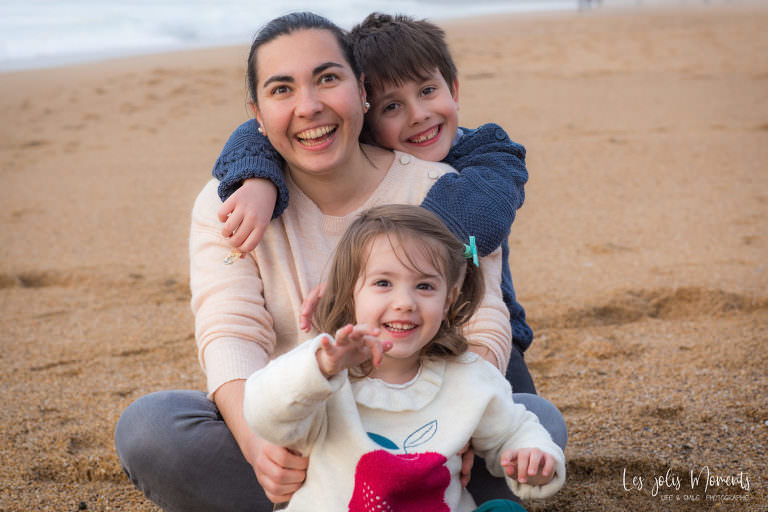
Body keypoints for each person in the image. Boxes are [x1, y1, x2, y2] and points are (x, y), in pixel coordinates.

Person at [114, 12, 566, 512]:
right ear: (257, 115)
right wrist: (257, 447)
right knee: (151, 427)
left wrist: (454, 434)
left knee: (538, 421)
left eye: (328, 79)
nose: (309, 106)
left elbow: (482, 320)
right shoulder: (231, 204)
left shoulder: (450, 192)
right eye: (281, 90)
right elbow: (230, 331)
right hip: (305, 435)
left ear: (362, 91)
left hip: (427, 431)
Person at [213, 12, 537, 394]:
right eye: (392, 107)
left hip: (475, 333)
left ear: (454, 89)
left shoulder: (488, 154)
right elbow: (256, 130)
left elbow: (481, 216)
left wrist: (368, 259)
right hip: (387, 343)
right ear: (364, 109)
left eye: (428, 91)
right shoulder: (363, 148)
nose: (419, 115)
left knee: (525, 416)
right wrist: (257, 178)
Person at [244, 204, 566, 511]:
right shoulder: (323, 371)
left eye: (425, 286)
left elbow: (514, 429)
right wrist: (320, 369)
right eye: (383, 283)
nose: (404, 302)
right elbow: (263, 412)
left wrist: (533, 456)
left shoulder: (468, 376)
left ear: (449, 299)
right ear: (350, 291)